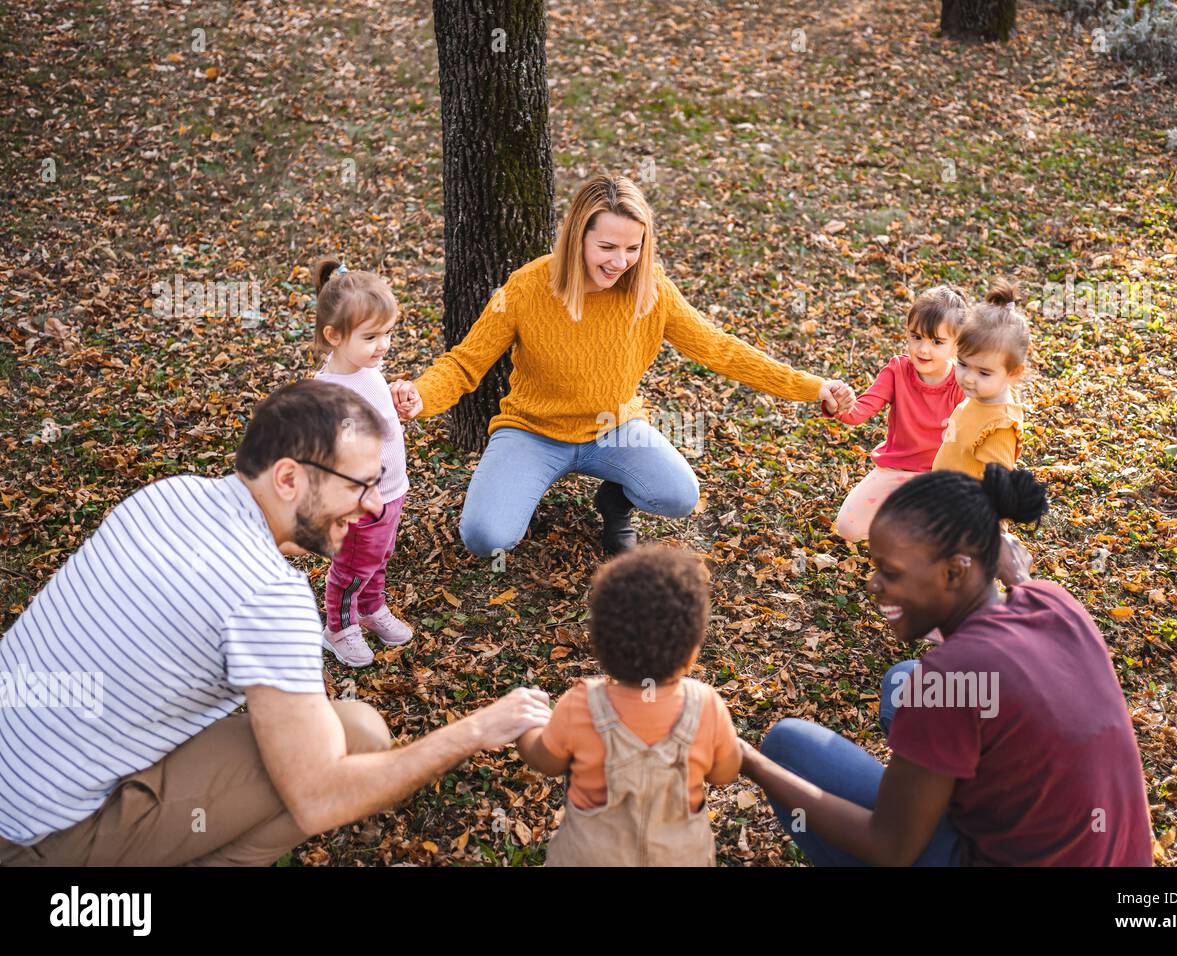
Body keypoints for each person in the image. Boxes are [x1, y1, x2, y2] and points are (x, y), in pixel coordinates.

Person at [0, 380, 550, 866]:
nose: (377, 507)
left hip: (27, 771)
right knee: (358, 738)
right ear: (288, 478)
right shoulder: (267, 594)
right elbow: (319, 796)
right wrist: (474, 731)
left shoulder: (168, 495)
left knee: (341, 727)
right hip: (41, 837)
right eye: (360, 484)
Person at [390, 175, 853, 558]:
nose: (620, 262)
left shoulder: (651, 291)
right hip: (531, 430)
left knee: (678, 495)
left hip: (615, 426)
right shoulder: (528, 287)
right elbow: (466, 363)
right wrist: (422, 395)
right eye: (608, 246)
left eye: (633, 249)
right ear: (578, 236)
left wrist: (812, 387)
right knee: (486, 538)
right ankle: (520, 493)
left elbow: (721, 350)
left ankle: (614, 499)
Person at [740, 465, 1153, 866]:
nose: (873, 585)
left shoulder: (950, 678)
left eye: (891, 572)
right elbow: (1023, 592)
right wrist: (1012, 572)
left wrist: (748, 761)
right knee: (902, 682)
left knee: (786, 746)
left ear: (955, 571)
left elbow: (888, 849)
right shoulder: (1054, 602)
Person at [515, 545, 741, 866]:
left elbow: (545, 761)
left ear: (600, 649)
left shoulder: (581, 706)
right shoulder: (706, 707)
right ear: (692, 656)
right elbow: (725, 772)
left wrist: (526, 728)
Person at [311, 256, 419, 667]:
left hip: (392, 492)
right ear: (334, 336)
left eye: (388, 333)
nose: (384, 345)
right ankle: (338, 627)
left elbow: (374, 409)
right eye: (372, 337)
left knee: (379, 555)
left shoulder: (367, 369)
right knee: (353, 564)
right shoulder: (330, 392)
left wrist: (393, 396)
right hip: (362, 502)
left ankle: (372, 609)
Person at [822, 285, 967, 543]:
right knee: (847, 527)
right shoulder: (898, 371)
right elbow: (859, 411)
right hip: (896, 468)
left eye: (936, 342)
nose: (923, 349)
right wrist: (839, 405)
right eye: (916, 337)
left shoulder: (961, 384)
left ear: (956, 345)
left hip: (942, 476)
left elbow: (972, 436)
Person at [932, 278, 1032, 582]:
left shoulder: (1000, 426)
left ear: (1013, 373)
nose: (969, 378)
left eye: (983, 372)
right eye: (963, 364)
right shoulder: (982, 397)